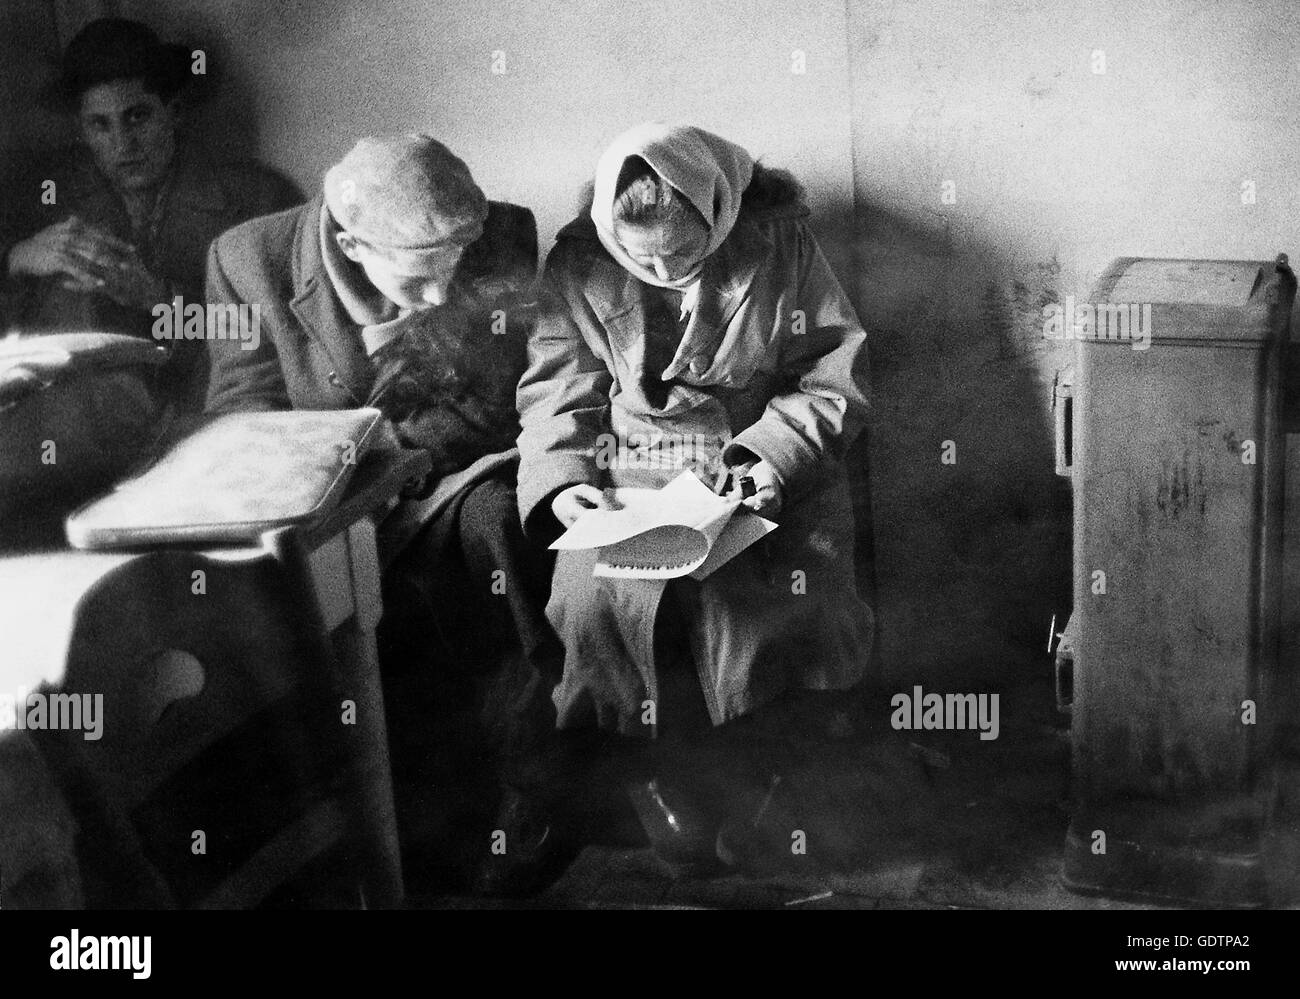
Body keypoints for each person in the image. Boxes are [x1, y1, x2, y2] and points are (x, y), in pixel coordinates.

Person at [204, 133, 563, 895]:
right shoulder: (244, 261)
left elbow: (494, 399)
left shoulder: (499, 234)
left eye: (452, 273)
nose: (440, 296)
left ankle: (538, 775)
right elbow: (242, 415)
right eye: (418, 278)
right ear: (349, 241)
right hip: (322, 502)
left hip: (453, 469)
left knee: (497, 523)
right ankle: (380, 844)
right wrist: (333, 469)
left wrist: (398, 457)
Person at [516, 122, 875, 874]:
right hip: (629, 469)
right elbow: (558, 388)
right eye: (638, 257)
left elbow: (831, 379)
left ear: (716, 211)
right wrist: (569, 488)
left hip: (761, 467)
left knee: (742, 601)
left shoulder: (782, 245)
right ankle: (659, 780)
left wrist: (767, 460)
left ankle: (758, 779)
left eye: (681, 252)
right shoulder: (578, 259)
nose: (662, 269)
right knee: (592, 596)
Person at [0, 17, 300, 411]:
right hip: (89, 432)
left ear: (172, 112)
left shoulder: (257, 200)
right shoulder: (49, 202)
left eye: (137, 116)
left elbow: (273, 344)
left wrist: (159, 300)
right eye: (100, 125)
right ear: (81, 131)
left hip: (212, 421)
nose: (124, 143)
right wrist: (16, 259)